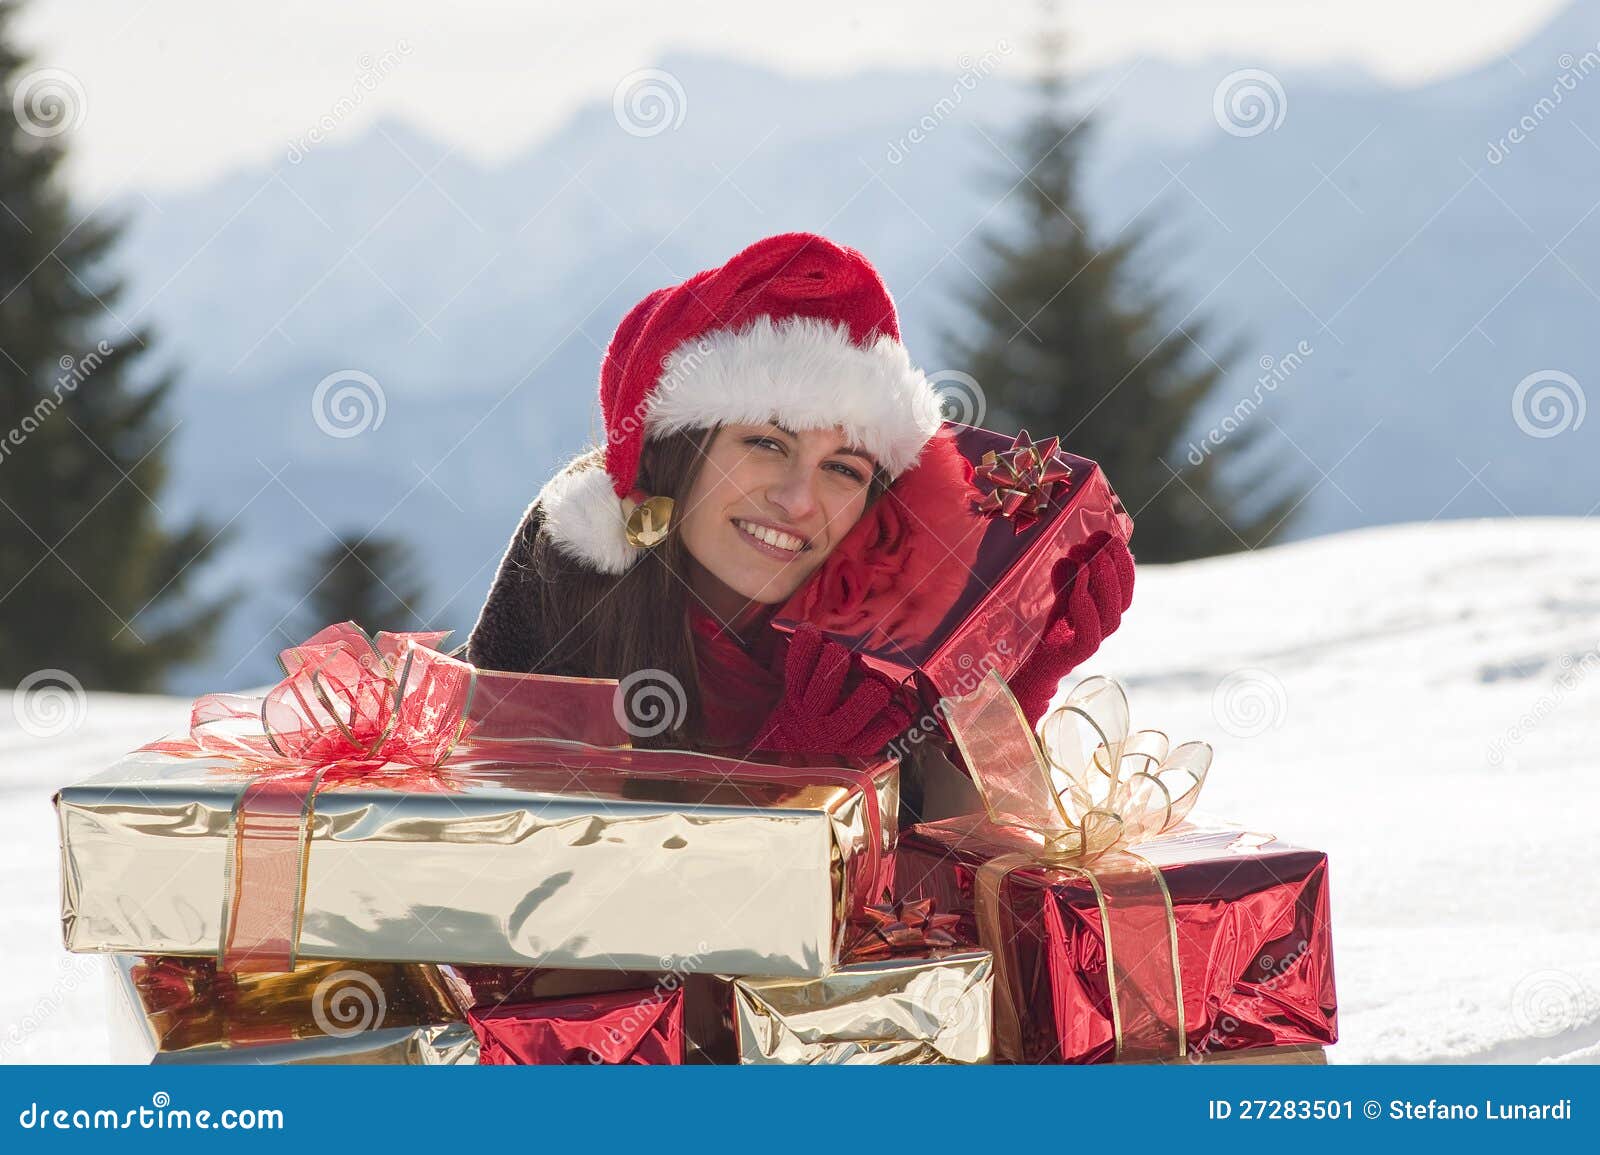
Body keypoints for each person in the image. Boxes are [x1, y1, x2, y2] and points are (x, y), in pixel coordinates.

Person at [464, 231, 1133, 820]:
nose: (797, 500)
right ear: (677, 454)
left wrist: (1009, 689)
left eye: (842, 468)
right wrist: (799, 781)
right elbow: (539, 903)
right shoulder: (568, 592)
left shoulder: (883, 631)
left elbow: (967, 913)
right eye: (767, 444)